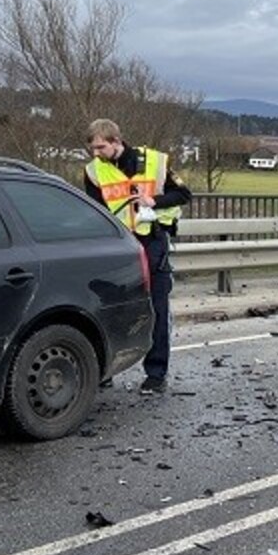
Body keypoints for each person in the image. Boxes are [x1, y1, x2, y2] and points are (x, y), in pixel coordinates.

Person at [84, 118, 191, 393]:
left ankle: (156, 374)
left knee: (156, 307)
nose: (96, 154)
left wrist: (154, 201)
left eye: (101, 147)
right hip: (117, 246)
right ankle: (105, 370)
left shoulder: (155, 162)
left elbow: (183, 194)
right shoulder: (94, 171)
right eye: (93, 148)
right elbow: (94, 211)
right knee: (109, 309)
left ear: (117, 141)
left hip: (152, 242)